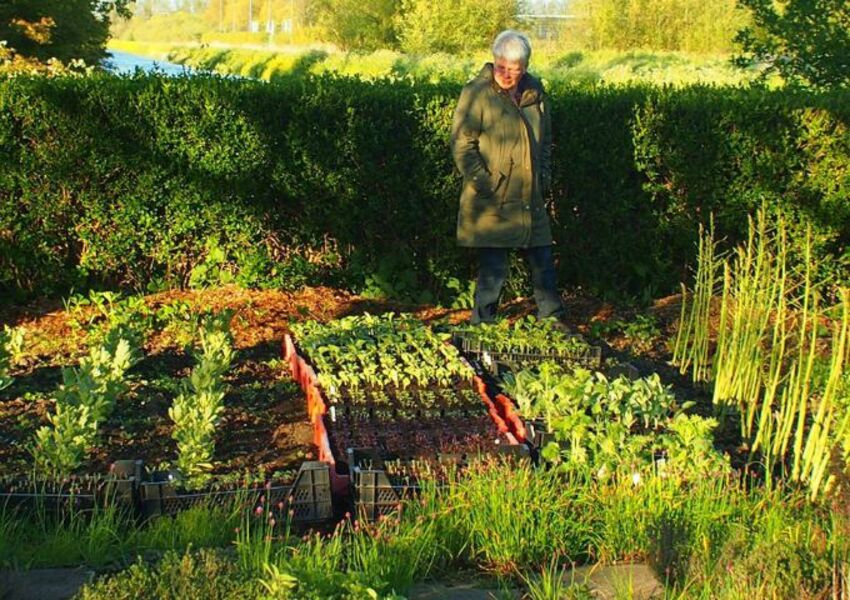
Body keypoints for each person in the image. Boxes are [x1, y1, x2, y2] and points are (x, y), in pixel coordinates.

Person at [451, 29, 567, 327]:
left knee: (542, 260)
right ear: (494, 60)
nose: (505, 74)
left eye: (513, 69)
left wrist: (543, 177)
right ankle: (482, 325)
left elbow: (545, 140)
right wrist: (485, 182)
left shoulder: (535, 92)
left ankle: (552, 322)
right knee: (493, 267)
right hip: (494, 194)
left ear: (524, 68)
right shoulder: (476, 93)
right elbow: (462, 144)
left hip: (529, 193)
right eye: (501, 67)